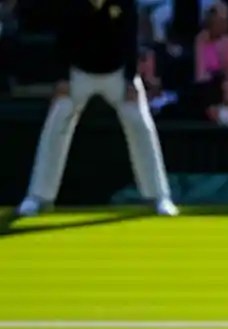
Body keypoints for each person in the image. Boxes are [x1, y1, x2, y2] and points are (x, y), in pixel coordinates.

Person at [16, 0, 175, 218]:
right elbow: (63, 38)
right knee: (58, 118)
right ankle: (38, 196)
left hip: (117, 73)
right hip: (79, 73)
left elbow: (130, 37)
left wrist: (130, 78)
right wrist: (62, 76)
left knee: (140, 121)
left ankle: (159, 196)